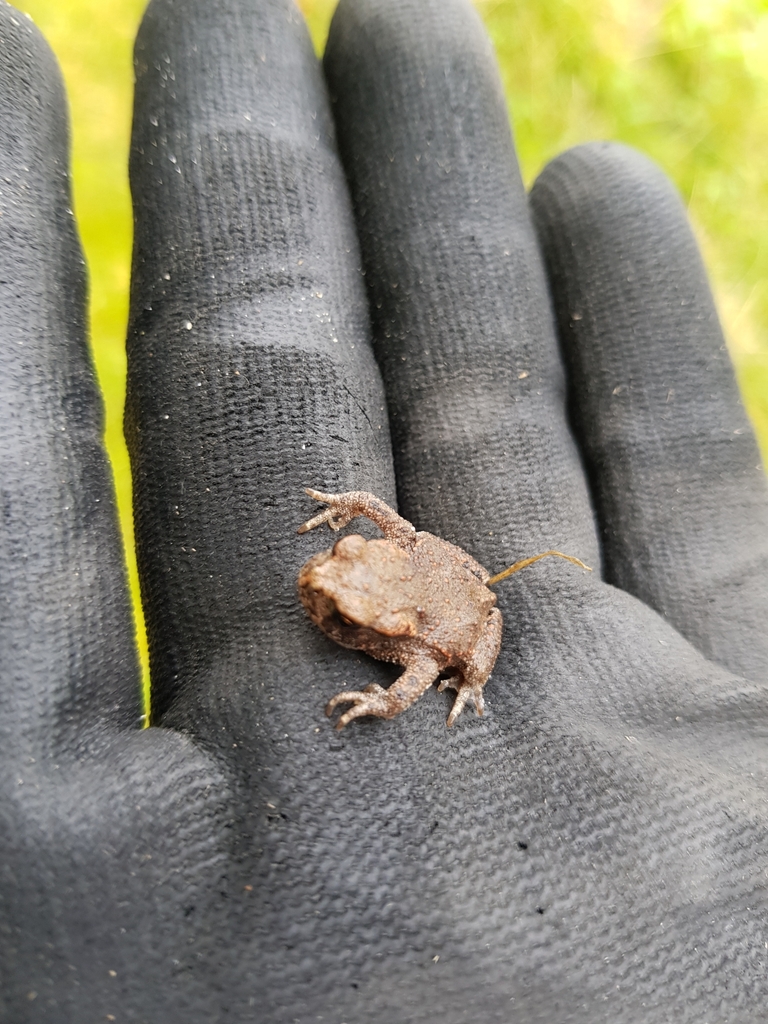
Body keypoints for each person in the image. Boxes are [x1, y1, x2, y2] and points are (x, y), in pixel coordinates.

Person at [2, 0, 766, 1020]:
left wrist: (399, 697)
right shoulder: (376, 546)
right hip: (425, 568)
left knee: (473, 640)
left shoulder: (408, 646)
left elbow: (422, 658)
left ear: (377, 633)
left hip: (448, 609)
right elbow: (380, 517)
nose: (319, 595)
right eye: (334, 591)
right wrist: (344, 517)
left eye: (338, 617)